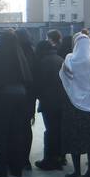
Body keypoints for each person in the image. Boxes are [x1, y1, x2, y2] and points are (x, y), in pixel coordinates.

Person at [0, 30, 35, 177]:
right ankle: (16, 167)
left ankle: (1, 167)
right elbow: (28, 78)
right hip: (21, 96)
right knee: (17, 131)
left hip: (2, 98)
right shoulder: (20, 56)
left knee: (1, 132)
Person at [59, 32, 90, 177]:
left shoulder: (70, 59)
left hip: (73, 105)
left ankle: (77, 172)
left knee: (74, 139)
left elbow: (63, 77)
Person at [33, 36, 66, 170]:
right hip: (62, 101)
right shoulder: (60, 59)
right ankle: (60, 157)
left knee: (50, 131)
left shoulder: (43, 62)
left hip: (49, 102)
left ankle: (49, 160)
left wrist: (38, 97)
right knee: (59, 130)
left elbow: (39, 83)